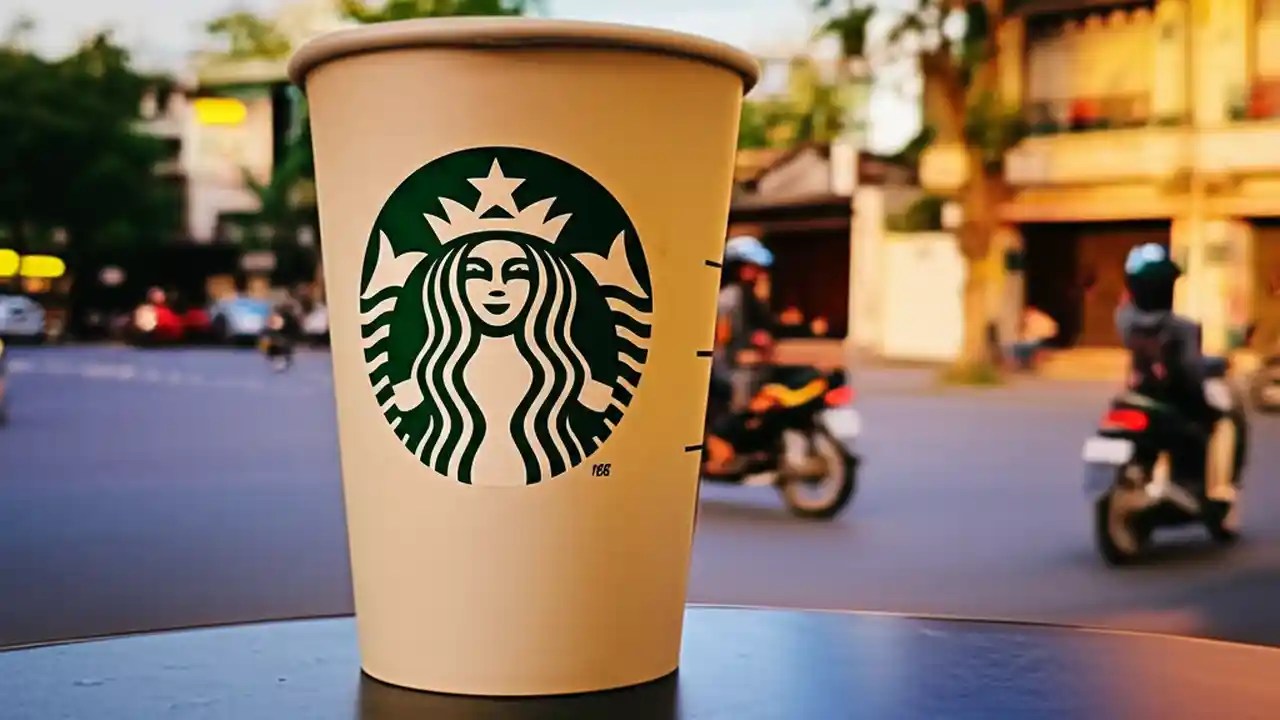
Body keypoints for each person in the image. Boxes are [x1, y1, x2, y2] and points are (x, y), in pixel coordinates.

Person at [1116, 243, 1243, 494]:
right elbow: (1192, 368)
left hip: (1135, 393)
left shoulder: (1123, 319)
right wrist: (1216, 364)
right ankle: (1214, 488)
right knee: (1222, 419)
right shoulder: (1184, 327)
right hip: (1177, 399)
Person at [705, 235, 776, 474]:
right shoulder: (731, 297)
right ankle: (720, 446)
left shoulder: (749, 296)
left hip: (740, 365)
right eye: (751, 268)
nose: (756, 273)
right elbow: (723, 339)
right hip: (727, 368)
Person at [1010, 305, 1058, 371]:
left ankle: (1022, 364)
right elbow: (1053, 330)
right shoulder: (1044, 318)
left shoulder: (1031, 318)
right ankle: (1026, 364)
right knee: (1023, 346)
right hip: (1042, 340)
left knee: (1018, 347)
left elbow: (1025, 333)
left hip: (1037, 340)